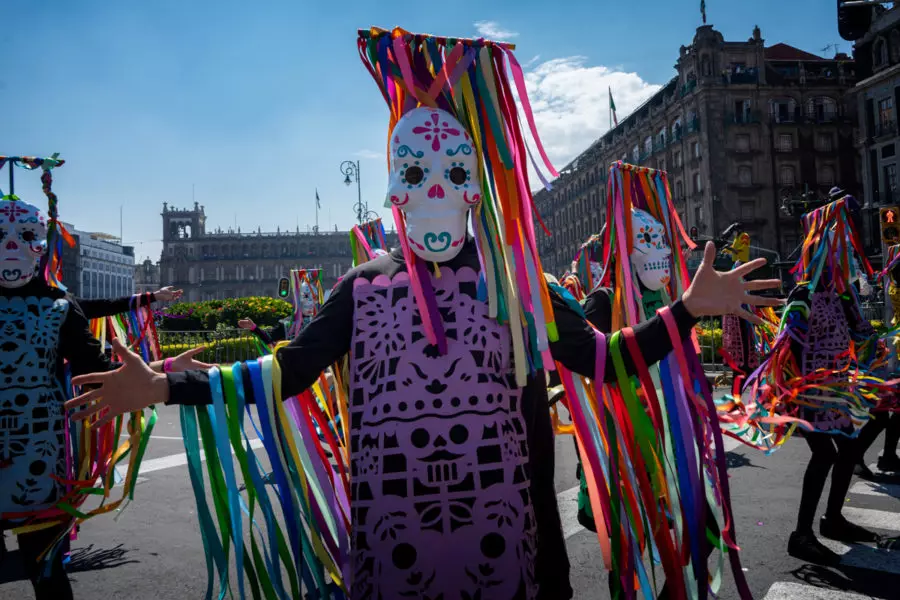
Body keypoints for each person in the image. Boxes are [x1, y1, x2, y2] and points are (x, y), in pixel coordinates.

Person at [65, 30, 780, 599]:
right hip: (394, 558)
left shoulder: (520, 282)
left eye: (453, 173)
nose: (434, 188)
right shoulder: (364, 288)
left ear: (478, 188)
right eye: (414, 174)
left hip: (518, 560)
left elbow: (604, 359)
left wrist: (686, 311)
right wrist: (163, 386)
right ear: (392, 192)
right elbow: (285, 373)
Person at [0, 191, 206, 599]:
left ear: (42, 243)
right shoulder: (57, 307)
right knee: (46, 573)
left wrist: (158, 371)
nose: (10, 249)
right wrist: (160, 373)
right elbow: (100, 377)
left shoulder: (61, 307)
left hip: (37, 462)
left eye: (22, 236)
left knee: (47, 572)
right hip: (37, 462)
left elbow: (99, 375)